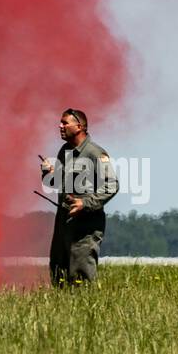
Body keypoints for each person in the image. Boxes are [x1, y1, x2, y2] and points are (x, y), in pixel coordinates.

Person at [40, 109, 118, 285]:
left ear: (80, 126)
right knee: (58, 272)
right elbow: (57, 184)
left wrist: (85, 203)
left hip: (86, 225)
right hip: (63, 222)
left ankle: (84, 311)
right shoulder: (64, 151)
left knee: (81, 276)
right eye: (61, 123)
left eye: (65, 123)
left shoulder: (95, 153)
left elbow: (112, 185)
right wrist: (48, 173)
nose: (60, 126)